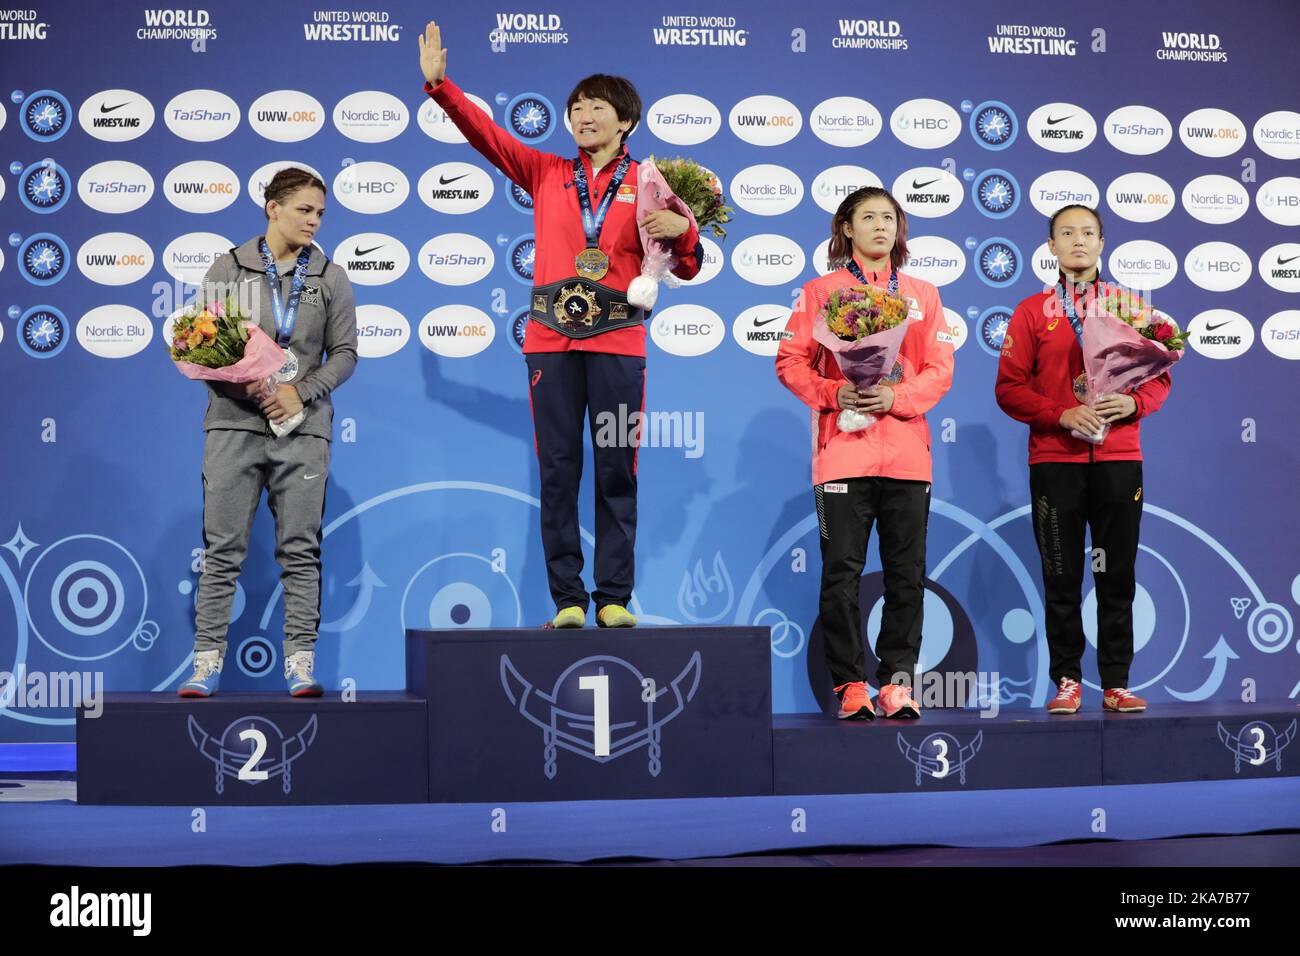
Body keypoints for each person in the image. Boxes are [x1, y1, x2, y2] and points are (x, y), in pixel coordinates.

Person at [418, 21, 702, 628]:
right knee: (558, 469)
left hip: (620, 344)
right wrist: (442, 89)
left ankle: (616, 598)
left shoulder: (653, 184)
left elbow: (689, 263)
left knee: (615, 469)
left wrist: (687, 231)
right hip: (551, 343)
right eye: (576, 107)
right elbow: (488, 137)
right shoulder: (547, 173)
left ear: (626, 120)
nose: (584, 115)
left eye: (598, 107)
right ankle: (568, 600)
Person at [178, 167, 358, 697]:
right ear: (271, 207)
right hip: (233, 427)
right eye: (304, 210)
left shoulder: (330, 275)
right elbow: (202, 344)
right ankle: (205, 665)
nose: (314, 222)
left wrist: (297, 393)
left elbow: (345, 354)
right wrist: (249, 387)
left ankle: (300, 665)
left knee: (300, 552)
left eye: (321, 213)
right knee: (222, 552)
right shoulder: (228, 267)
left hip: (303, 431)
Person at [776, 187, 954, 719]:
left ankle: (897, 682)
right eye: (868, 217)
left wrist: (895, 397)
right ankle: (850, 685)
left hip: (906, 457)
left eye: (890, 218)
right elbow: (791, 361)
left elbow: (940, 368)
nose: (881, 226)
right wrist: (837, 394)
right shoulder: (820, 290)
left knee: (907, 575)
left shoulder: (924, 292)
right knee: (841, 573)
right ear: (846, 229)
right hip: (843, 454)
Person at [995, 204, 1170, 714]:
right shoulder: (1031, 312)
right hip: (1056, 459)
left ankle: (1115, 681)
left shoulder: (1131, 308)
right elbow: (1008, 389)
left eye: (1087, 232)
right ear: (1050, 246)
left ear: (1101, 244)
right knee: (1062, 573)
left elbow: (1159, 378)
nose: (1077, 240)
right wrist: (1060, 414)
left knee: (1117, 573)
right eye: (1066, 233)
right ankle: (1067, 680)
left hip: (1118, 457)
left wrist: (1133, 403)